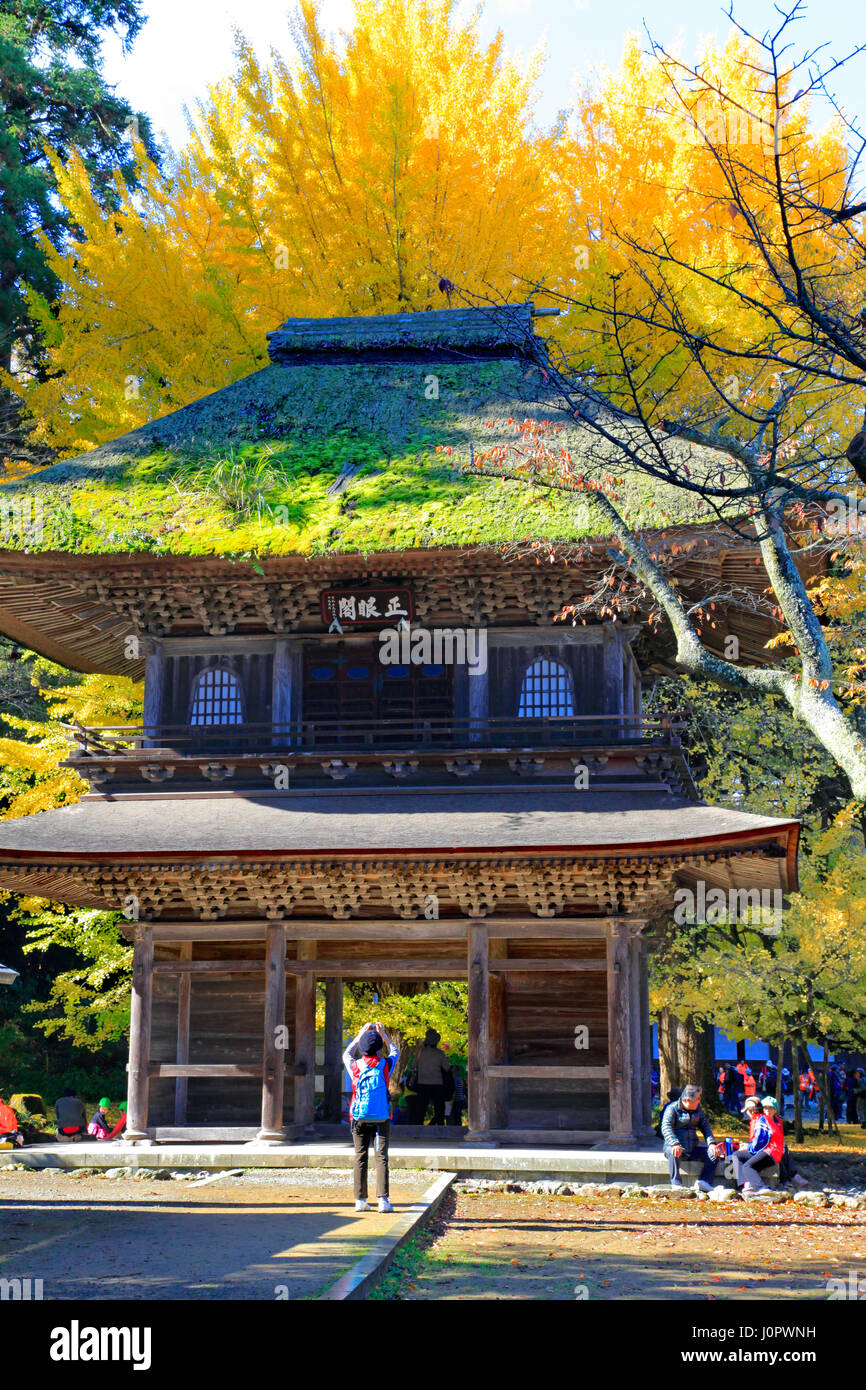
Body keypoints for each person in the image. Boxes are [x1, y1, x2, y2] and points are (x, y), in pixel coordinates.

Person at [343, 1020, 398, 1214]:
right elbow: (395, 1052)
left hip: (359, 1116)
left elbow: (346, 1054)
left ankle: (360, 1200)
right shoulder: (384, 1065)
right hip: (382, 1116)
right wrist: (384, 1035)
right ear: (378, 1047)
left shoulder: (355, 1066)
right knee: (381, 1156)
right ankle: (383, 1200)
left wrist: (358, 1036)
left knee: (360, 1156)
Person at [660, 1084, 721, 1191]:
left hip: (692, 1147)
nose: (699, 1101)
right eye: (697, 1098)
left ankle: (703, 1182)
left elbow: (705, 1126)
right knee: (673, 1153)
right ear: (688, 1100)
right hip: (675, 1147)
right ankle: (676, 1184)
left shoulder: (698, 1109)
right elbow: (666, 1127)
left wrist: (711, 1143)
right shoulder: (672, 1108)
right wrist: (674, 1143)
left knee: (714, 1154)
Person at [732, 1096, 784, 1195]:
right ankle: (746, 1185)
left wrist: (748, 1147)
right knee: (736, 1155)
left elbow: (761, 1141)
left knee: (747, 1166)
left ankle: (761, 1188)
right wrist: (748, 1146)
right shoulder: (763, 1119)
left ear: (752, 1111)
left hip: (771, 1152)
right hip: (771, 1151)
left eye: (747, 1111)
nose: (747, 1114)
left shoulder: (761, 1120)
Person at [408, 1028, 453, 1126]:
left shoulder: (420, 1052)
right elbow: (447, 1068)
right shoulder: (439, 1053)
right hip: (437, 1083)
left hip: (422, 1082)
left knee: (421, 1108)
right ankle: (440, 1128)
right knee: (439, 1108)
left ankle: (418, 1128)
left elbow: (414, 1065)